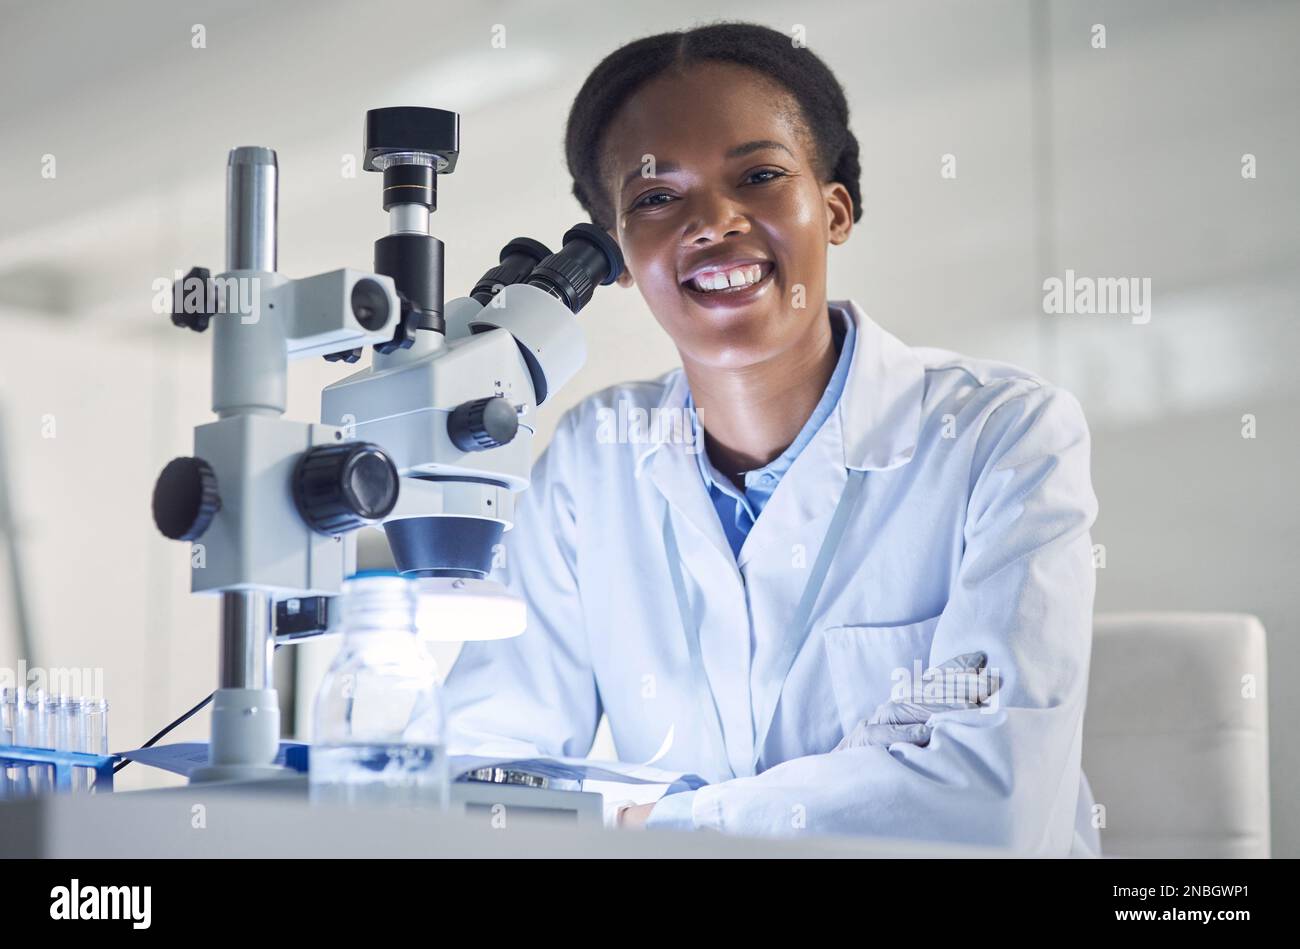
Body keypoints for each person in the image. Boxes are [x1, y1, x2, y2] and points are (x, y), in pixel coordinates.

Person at [441, 21, 1101, 856]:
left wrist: (664, 824)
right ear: (615, 255)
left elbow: (988, 804)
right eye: (655, 197)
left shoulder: (1002, 434)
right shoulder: (591, 457)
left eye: (759, 175)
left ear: (834, 210)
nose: (713, 222)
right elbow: (486, 762)